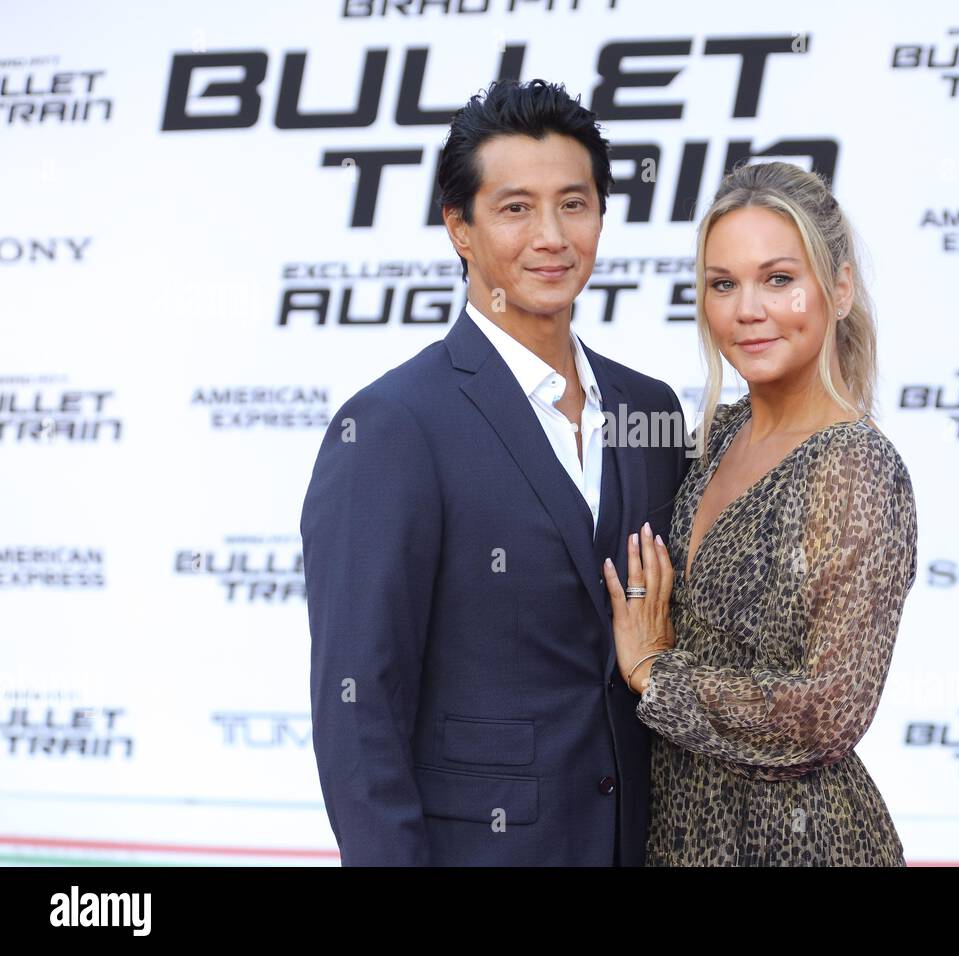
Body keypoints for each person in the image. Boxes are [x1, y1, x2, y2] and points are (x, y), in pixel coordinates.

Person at [301, 79, 690, 866]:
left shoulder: (651, 412)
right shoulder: (393, 425)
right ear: (460, 229)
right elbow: (359, 710)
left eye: (573, 204)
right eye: (516, 208)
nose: (551, 235)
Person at [602, 160, 919, 865]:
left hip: (799, 843)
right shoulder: (718, 437)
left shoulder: (853, 468)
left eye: (779, 279)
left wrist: (658, 674)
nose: (747, 309)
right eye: (724, 284)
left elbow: (829, 710)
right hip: (684, 833)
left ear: (838, 289)